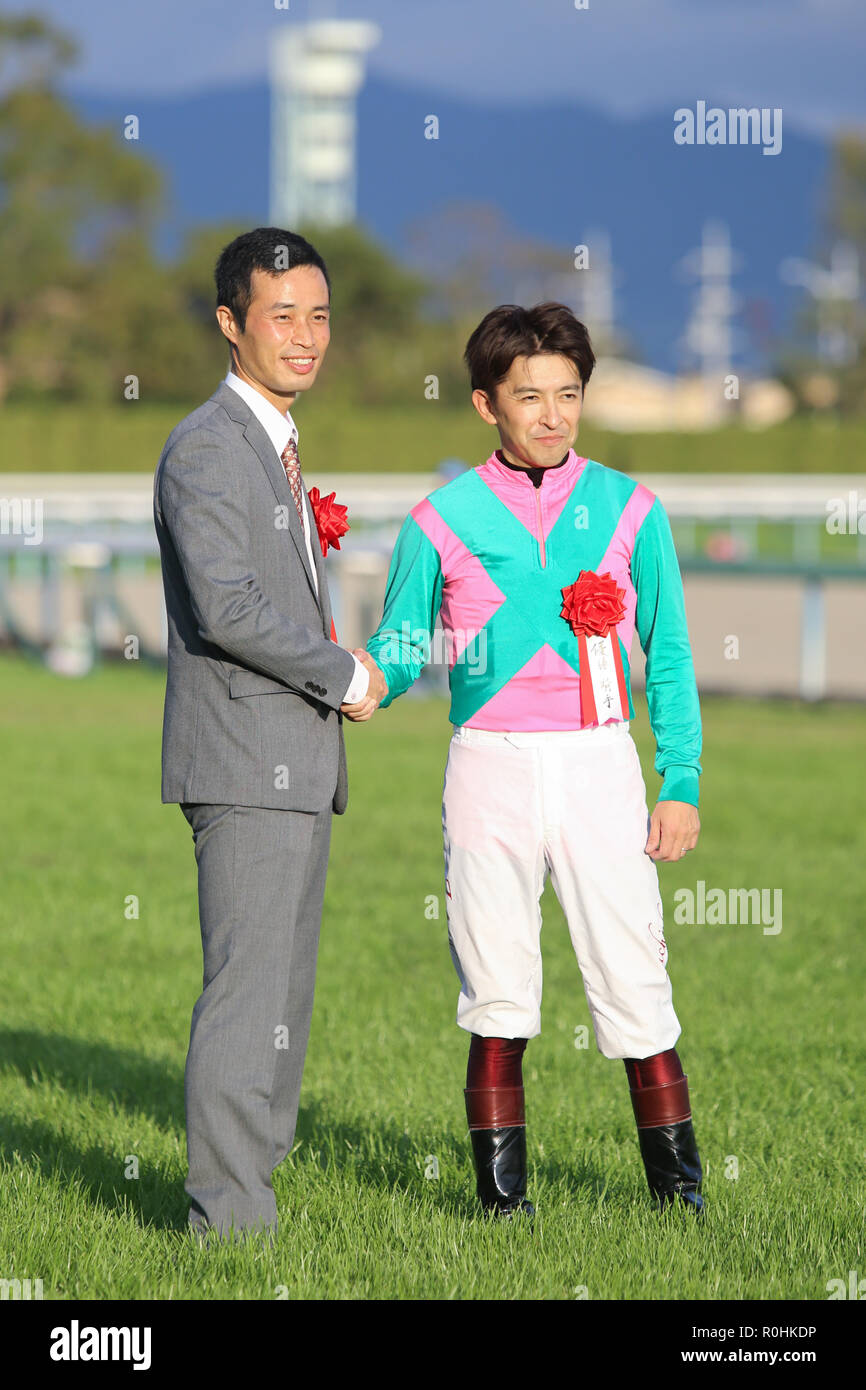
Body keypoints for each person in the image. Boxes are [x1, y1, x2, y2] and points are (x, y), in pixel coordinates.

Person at [363, 302, 704, 1220]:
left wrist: (681, 781)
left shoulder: (635, 508)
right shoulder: (438, 521)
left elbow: (667, 654)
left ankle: (681, 1200)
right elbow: (400, 647)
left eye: (569, 394)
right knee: (497, 986)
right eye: (530, 397)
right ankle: (502, 1209)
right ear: (486, 405)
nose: (552, 415)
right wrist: (356, 680)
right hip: (489, 768)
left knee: (636, 980)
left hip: (602, 765)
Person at [153, 226, 386, 1245]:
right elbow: (227, 607)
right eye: (281, 314)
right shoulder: (208, 446)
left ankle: (256, 1198)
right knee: (248, 997)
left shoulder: (276, 445)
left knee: (282, 995)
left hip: (294, 764)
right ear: (229, 323)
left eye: (318, 314)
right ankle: (230, 1226)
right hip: (247, 759)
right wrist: (342, 671)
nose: (305, 335)